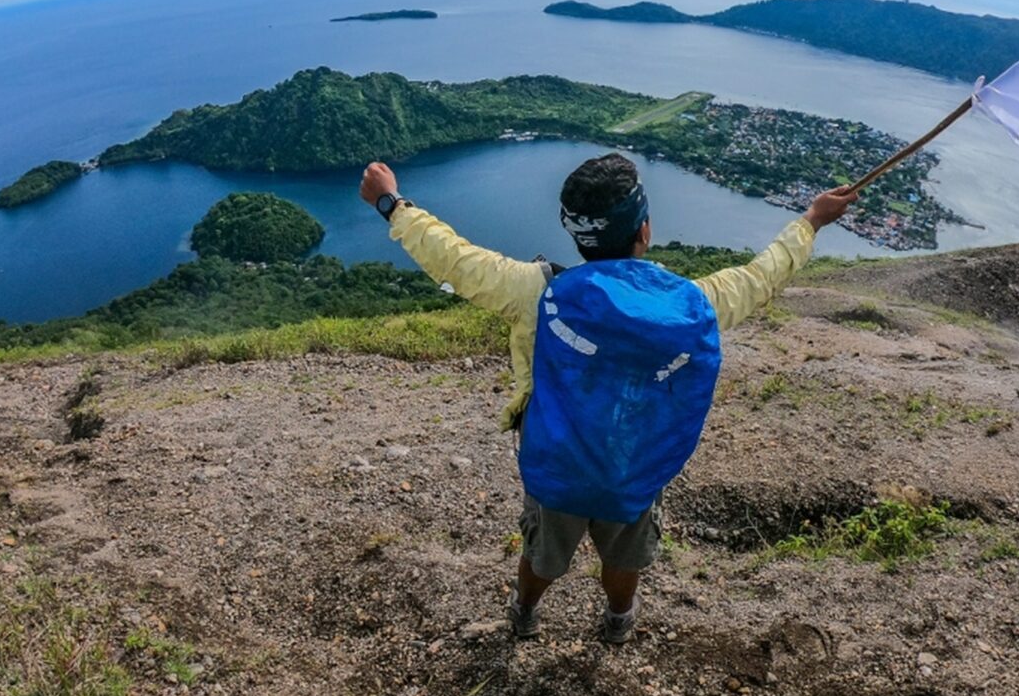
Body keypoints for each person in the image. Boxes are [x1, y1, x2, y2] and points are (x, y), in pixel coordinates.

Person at [359, 153, 857, 643]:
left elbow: (454, 259)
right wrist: (811, 221)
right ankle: (618, 620)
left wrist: (392, 204)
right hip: (631, 465)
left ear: (577, 235)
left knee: (542, 555)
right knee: (624, 557)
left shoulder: (539, 292)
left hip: (557, 465)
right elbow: (760, 278)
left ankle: (525, 613)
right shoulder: (689, 306)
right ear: (644, 230)